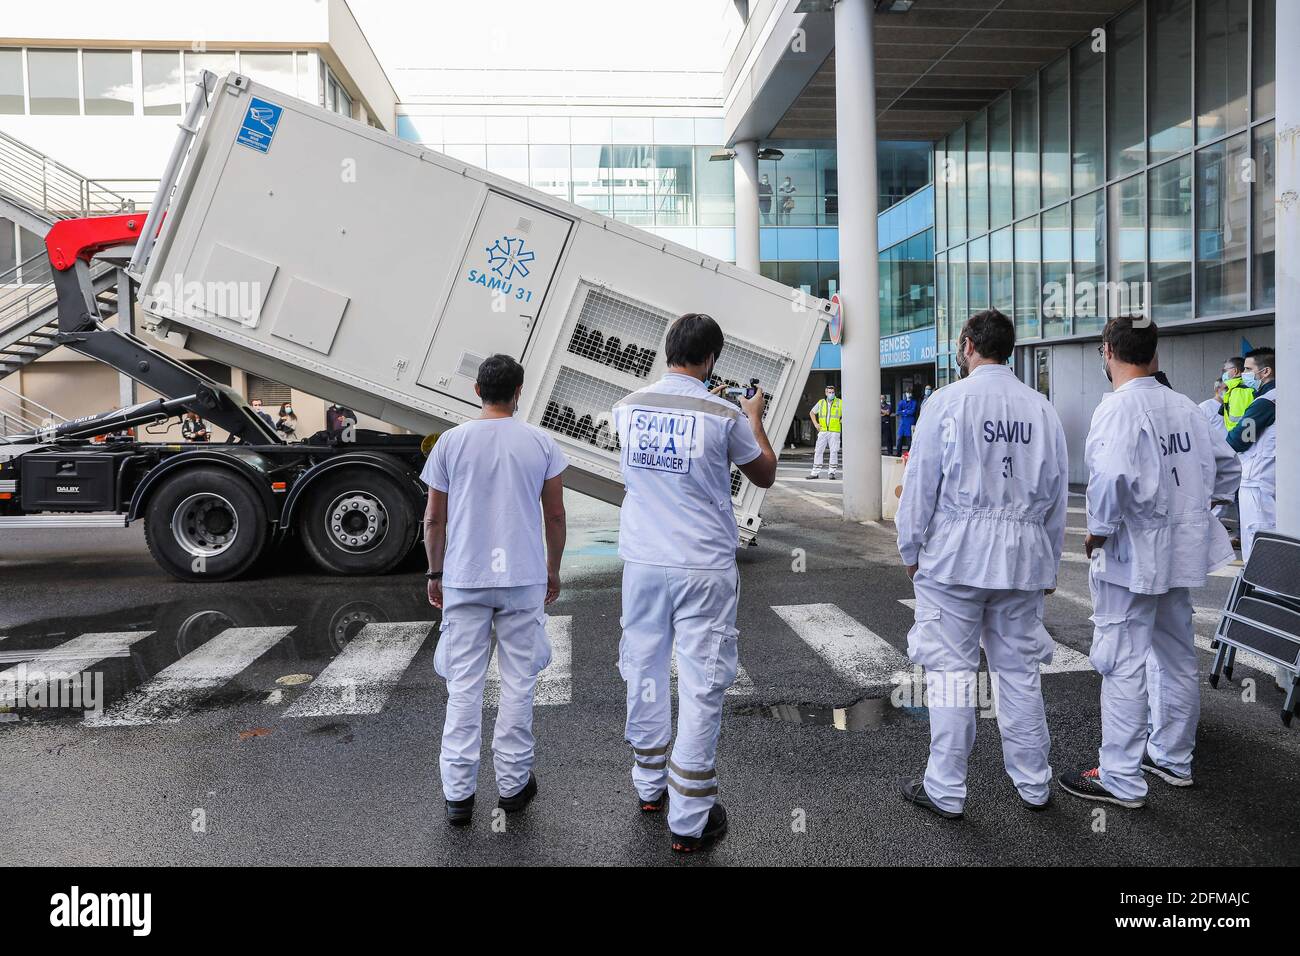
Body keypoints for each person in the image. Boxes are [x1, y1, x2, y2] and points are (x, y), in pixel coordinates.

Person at [1059, 316, 1240, 808]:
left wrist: (1097, 528)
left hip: (1131, 553)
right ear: (1154, 352)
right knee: (1177, 655)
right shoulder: (1187, 408)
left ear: (1108, 351)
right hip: (1179, 554)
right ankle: (1172, 758)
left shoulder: (1119, 408)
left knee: (1121, 660)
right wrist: (1198, 512)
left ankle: (1119, 775)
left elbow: (1112, 476)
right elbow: (1228, 468)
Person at [612, 313, 777, 853]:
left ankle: (649, 786)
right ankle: (689, 819)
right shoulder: (723, 412)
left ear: (667, 352)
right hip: (702, 565)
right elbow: (764, 472)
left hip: (642, 562)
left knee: (644, 667)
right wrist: (753, 416)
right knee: (702, 683)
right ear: (710, 360)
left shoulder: (628, 408)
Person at [895, 309, 1068, 820]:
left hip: (955, 558)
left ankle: (946, 789)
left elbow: (921, 486)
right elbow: (1057, 498)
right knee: (1019, 673)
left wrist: (911, 551)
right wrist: (1050, 564)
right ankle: (1035, 783)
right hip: (1023, 559)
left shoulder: (946, 403)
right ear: (1009, 350)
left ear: (968, 345)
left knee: (951, 674)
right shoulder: (1041, 409)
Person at [421, 354, 568, 827]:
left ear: (476, 390)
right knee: (519, 685)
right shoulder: (541, 443)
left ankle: (458, 795)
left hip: (464, 576)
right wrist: (552, 569)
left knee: (462, 686)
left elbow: (434, 518)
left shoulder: (450, 442)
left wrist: (434, 572)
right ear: (519, 392)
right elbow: (556, 516)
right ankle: (512, 786)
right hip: (522, 577)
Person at [1227, 347, 1276, 562]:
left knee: (1258, 542)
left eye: (1247, 369)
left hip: (1258, 482)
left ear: (1265, 372)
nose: (1243, 374)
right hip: (1274, 480)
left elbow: (1238, 439)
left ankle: (1263, 593)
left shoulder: (1266, 402)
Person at [808, 383, 843, 479]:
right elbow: (812, 413)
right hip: (823, 431)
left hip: (835, 431)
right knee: (818, 451)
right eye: (829, 392)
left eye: (833, 392)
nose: (831, 394)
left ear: (835, 392)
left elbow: (848, 412)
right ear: (826, 393)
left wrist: (843, 419)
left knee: (834, 451)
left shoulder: (840, 402)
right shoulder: (821, 402)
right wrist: (816, 424)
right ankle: (815, 473)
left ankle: (831, 473)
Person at [1221, 356, 1255, 432]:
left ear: (1235, 371)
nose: (1223, 373)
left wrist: (1233, 441)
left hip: (1239, 440)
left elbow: (1243, 426)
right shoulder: (1235, 389)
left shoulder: (1239, 392)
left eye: (1224, 370)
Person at [896, 389, 918, 454]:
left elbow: (912, 411)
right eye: (907, 393)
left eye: (910, 393)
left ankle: (909, 454)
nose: (909, 394)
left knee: (909, 440)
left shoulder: (914, 402)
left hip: (910, 423)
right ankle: (898, 454)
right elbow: (898, 412)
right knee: (899, 439)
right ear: (905, 393)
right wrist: (906, 411)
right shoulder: (901, 402)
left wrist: (904, 411)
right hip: (902, 423)